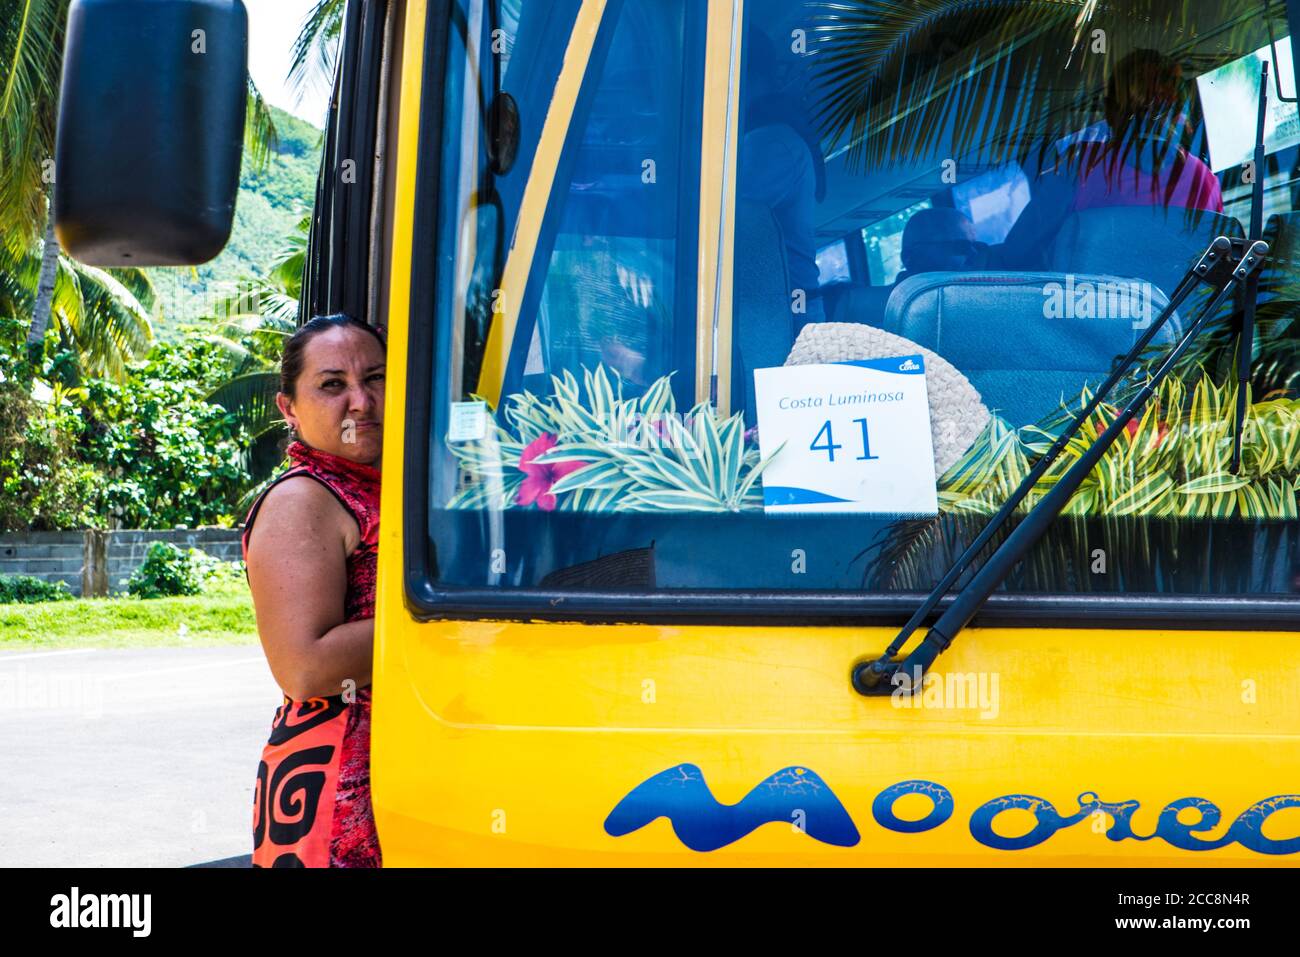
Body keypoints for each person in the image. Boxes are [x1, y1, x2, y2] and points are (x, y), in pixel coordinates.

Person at [243, 313, 386, 868]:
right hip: (343, 788)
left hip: (404, 765)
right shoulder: (303, 499)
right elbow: (304, 667)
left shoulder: (390, 485)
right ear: (289, 408)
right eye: (332, 385)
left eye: (374, 377)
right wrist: (450, 619)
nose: (360, 401)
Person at [983, 48, 1224, 270]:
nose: (1151, 123)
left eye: (1162, 108)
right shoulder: (1204, 182)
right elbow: (1020, 252)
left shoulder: (1079, 166)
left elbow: (1018, 254)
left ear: (1110, 112)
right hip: (1167, 317)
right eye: (1141, 111)